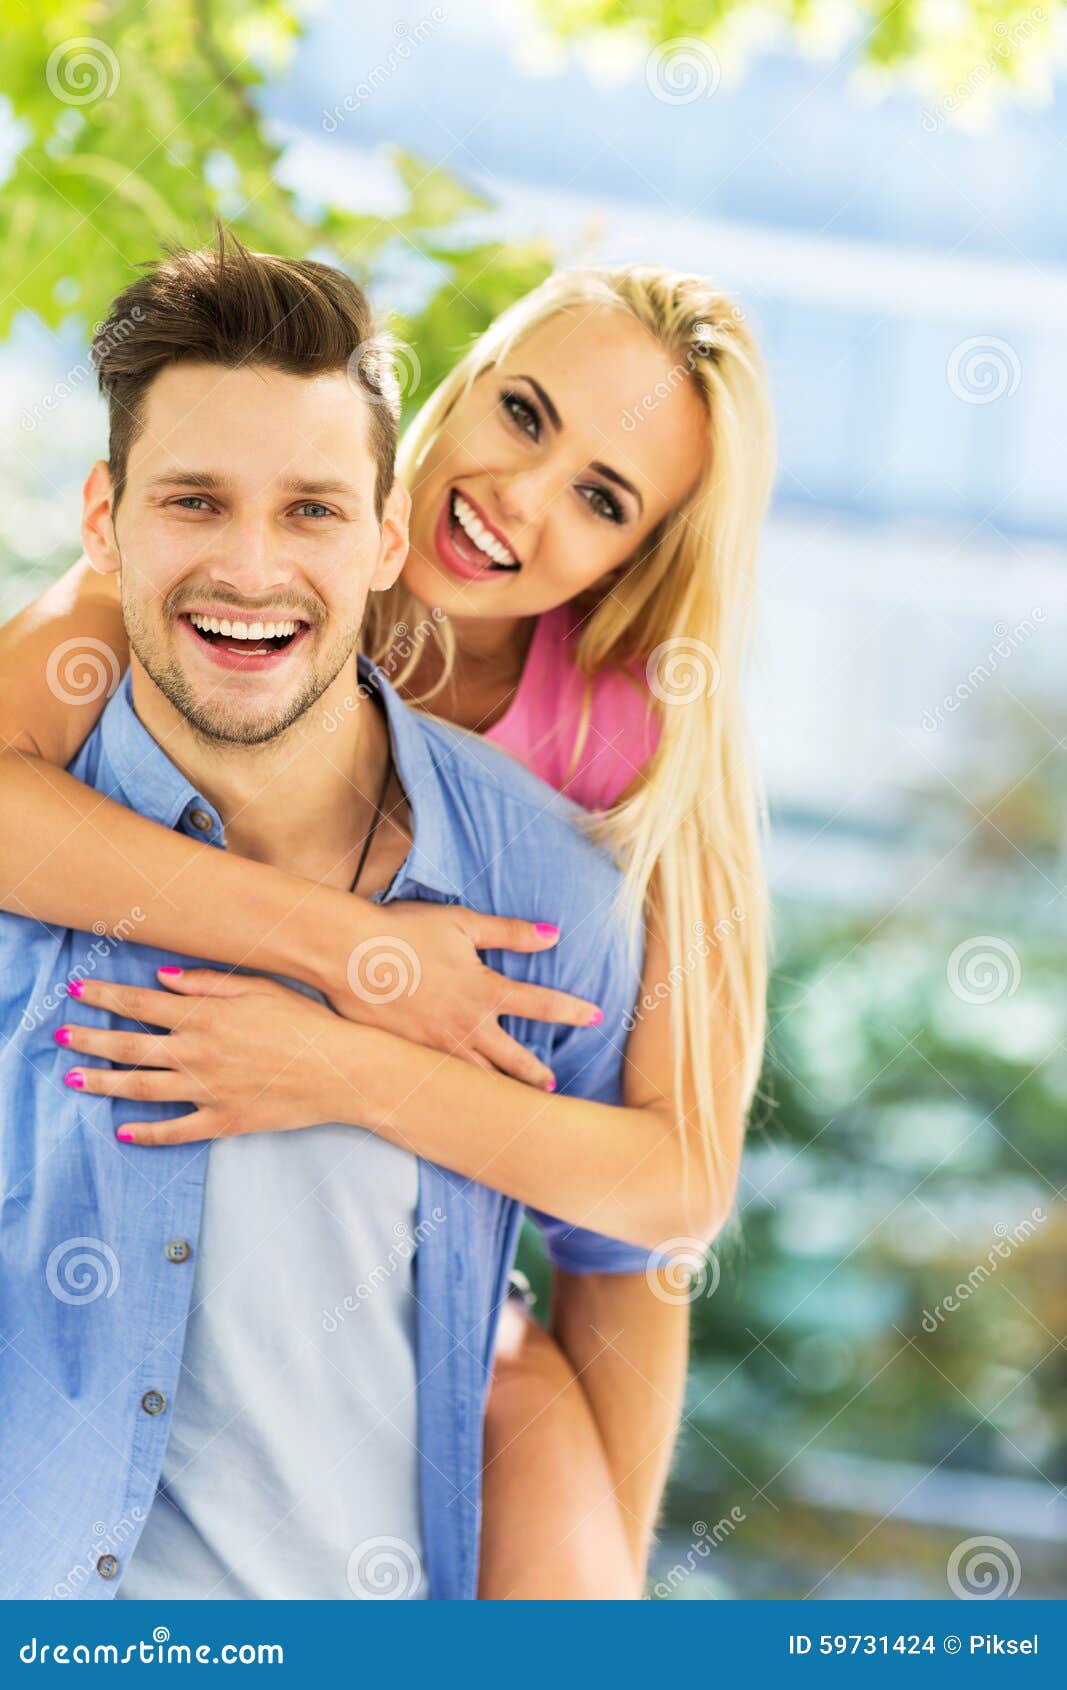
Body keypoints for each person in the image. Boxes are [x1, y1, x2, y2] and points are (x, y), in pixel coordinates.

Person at [0, 232, 776, 1598]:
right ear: (464, 379)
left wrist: (342, 1062)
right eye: (522, 414)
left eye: (601, 496)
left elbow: (666, 1199)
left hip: (458, 1298)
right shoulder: (199, 561)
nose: (518, 497)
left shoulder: (628, 748)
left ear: (638, 558)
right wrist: (347, 955)